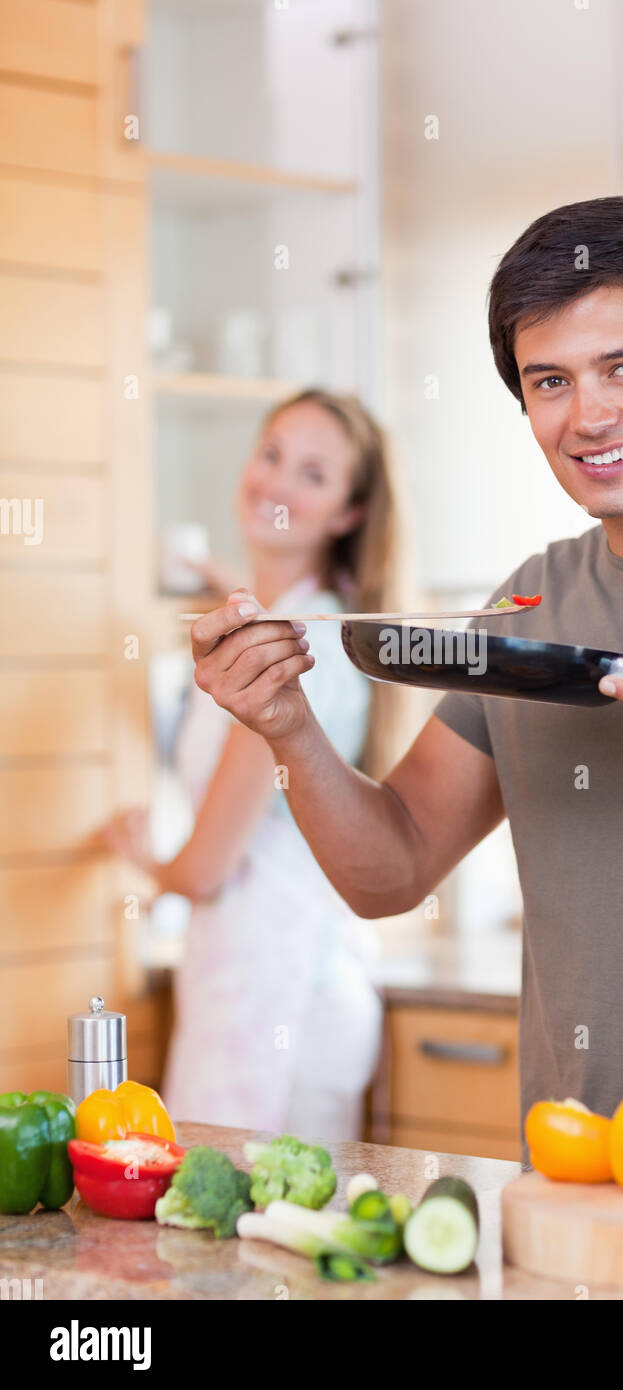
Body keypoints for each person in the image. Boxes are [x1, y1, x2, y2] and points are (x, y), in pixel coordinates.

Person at [188, 197, 623, 1163]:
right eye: (550, 381)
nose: (588, 416)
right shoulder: (531, 601)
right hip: (578, 1177)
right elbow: (394, 870)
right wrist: (288, 730)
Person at [101, 388, 407, 1137]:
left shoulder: (286, 650)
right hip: (272, 973)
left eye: (311, 474)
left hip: (277, 988)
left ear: (349, 513)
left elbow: (204, 869)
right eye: (270, 455)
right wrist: (212, 574)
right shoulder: (306, 616)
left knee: (253, 1232)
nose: (274, 484)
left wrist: (145, 858)